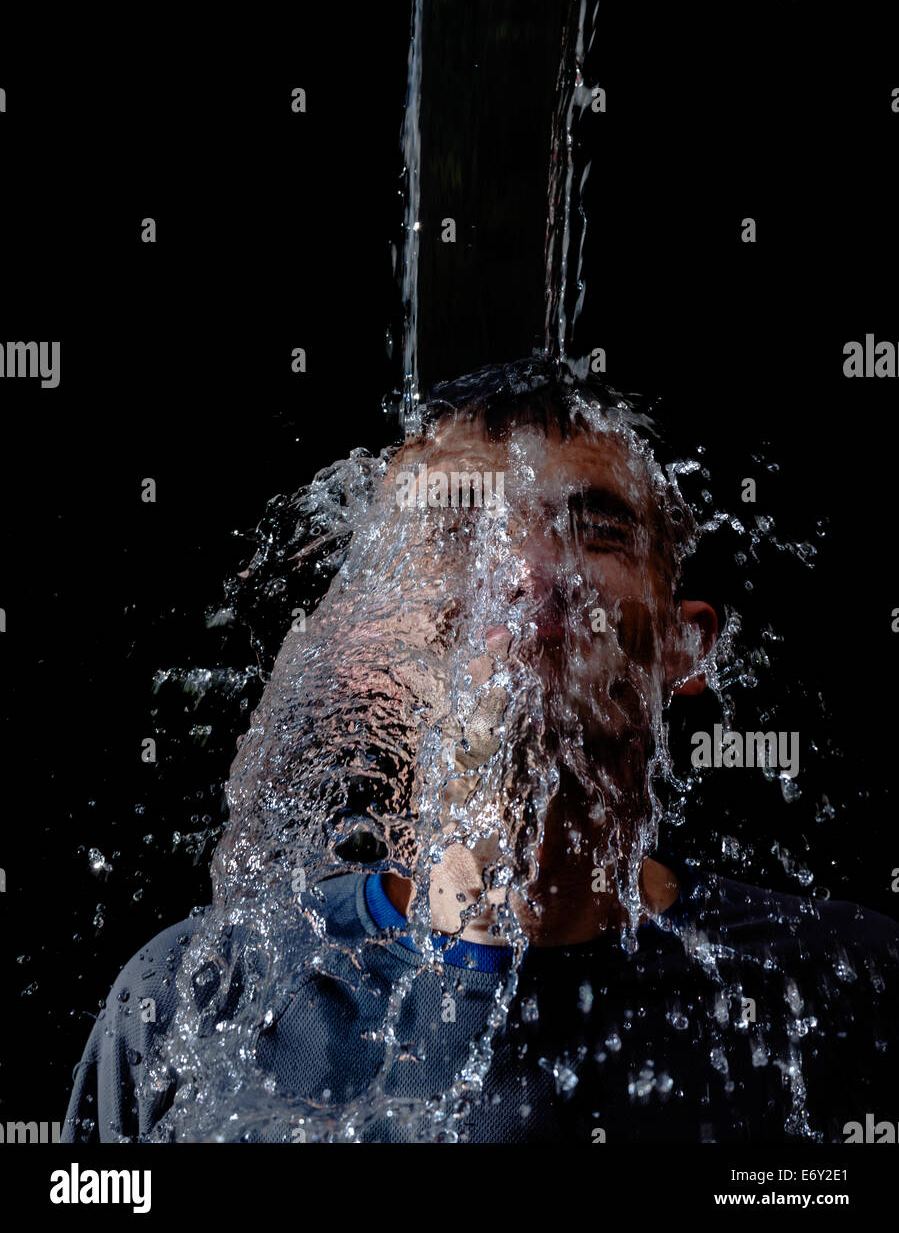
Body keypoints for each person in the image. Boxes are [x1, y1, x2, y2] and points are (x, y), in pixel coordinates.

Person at [63, 360, 899, 1143]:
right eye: (457, 527)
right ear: (363, 644)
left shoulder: (844, 990)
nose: (528, 572)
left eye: (596, 529)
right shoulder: (195, 999)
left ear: (683, 646)